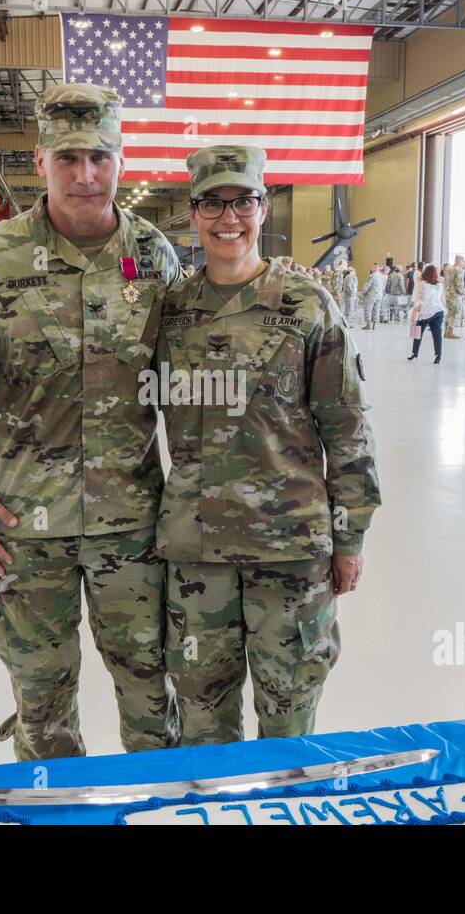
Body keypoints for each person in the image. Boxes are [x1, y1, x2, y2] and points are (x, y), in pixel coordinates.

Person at [0, 84, 180, 761]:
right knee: (40, 698)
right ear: (41, 161)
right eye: (68, 158)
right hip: (21, 527)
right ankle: (56, 808)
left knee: (151, 693)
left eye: (100, 156)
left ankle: (155, 809)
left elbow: (187, 393)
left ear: (120, 160)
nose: (85, 175)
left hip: (133, 521)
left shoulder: (156, 258)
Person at [157, 145, 380, 745]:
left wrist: (349, 536)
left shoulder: (308, 305)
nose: (229, 218)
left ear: (263, 206)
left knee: (289, 715)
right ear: (193, 211)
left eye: (244, 202)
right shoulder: (171, 310)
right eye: (213, 203)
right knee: (203, 715)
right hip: (196, 546)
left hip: (291, 549)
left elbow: (347, 426)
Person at [407, 264, 445, 364]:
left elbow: (419, 299)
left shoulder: (422, 284)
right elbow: (442, 299)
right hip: (438, 311)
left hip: (425, 312)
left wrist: (414, 313)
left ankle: (415, 353)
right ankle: (438, 355)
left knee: (418, 332)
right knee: (437, 335)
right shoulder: (439, 285)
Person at [443, 255, 465, 339]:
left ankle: (446, 331)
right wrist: (462, 293)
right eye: (463, 262)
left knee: (449, 312)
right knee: (455, 312)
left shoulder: (449, 269)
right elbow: (459, 283)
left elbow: (445, 281)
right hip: (455, 295)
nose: (463, 264)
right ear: (459, 261)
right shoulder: (458, 270)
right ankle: (450, 332)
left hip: (448, 293)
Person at [360, 263, 387, 329]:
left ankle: (368, 324)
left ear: (375, 268)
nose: (371, 268)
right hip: (379, 295)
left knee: (368, 309)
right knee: (376, 309)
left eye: (372, 267)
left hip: (372, 295)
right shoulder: (382, 276)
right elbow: (384, 286)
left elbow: (368, 285)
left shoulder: (372, 275)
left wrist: (363, 292)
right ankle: (374, 325)